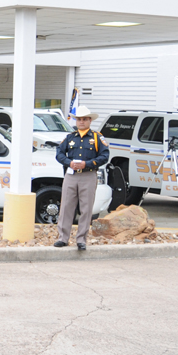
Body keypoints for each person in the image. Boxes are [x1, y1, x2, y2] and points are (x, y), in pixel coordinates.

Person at [54, 107, 110, 250]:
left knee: (86, 208)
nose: (82, 122)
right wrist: (68, 162)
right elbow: (59, 153)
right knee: (66, 206)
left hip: (88, 175)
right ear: (76, 121)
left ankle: (81, 240)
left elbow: (104, 156)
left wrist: (88, 164)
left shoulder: (97, 137)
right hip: (71, 174)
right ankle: (63, 238)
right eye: (79, 119)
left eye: (85, 119)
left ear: (90, 120)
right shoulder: (70, 137)